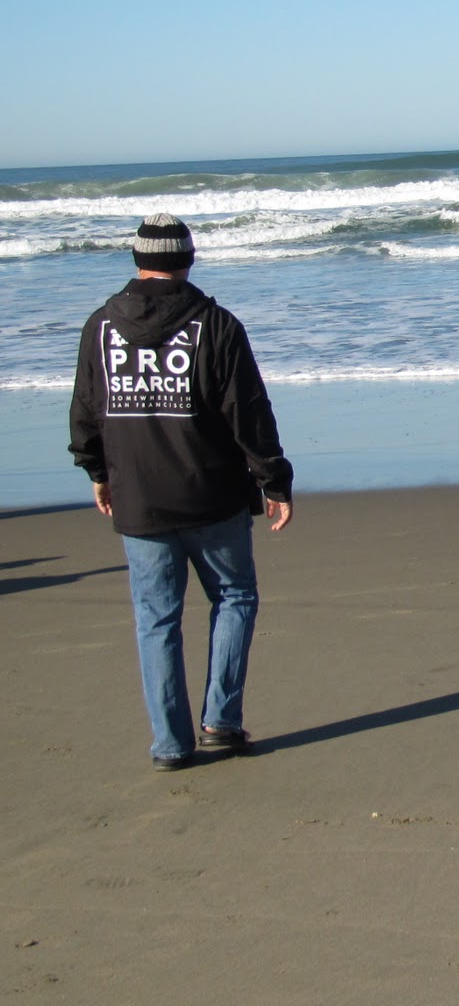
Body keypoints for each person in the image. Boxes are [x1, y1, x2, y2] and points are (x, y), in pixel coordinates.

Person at [68, 213, 293, 771]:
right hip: (210, 496)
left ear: (138, 260)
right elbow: (249, 413)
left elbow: (85, 412)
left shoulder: (102, 326)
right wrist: (274, 478)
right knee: (234, 597)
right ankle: (220, 721)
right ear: (188, 259)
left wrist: (98, 472)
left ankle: (172, 744)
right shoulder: (214, 325)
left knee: (157, 619)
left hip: (139, 496)